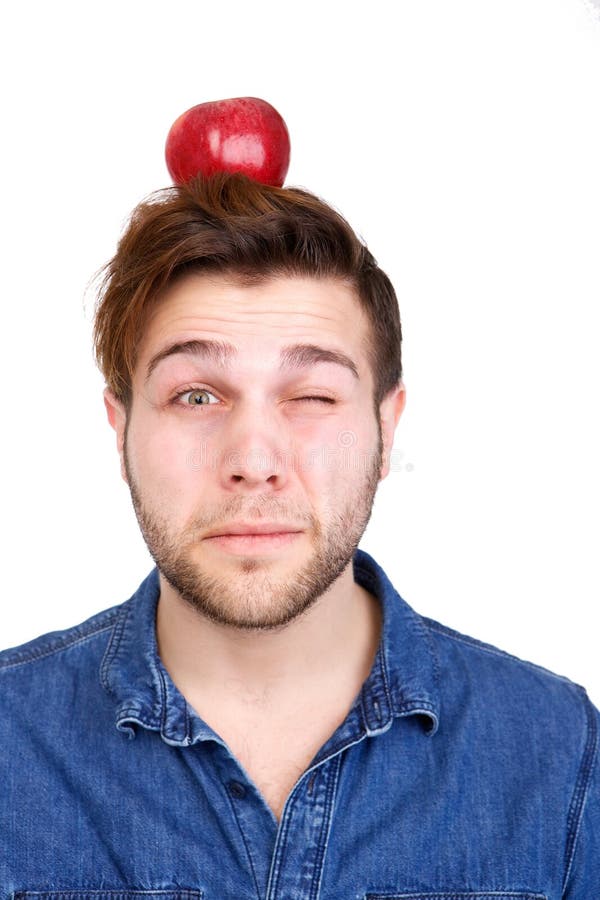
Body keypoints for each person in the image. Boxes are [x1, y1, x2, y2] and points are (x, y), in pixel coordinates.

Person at [1, 171, 598, 898]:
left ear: (385, 427)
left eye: (312, 396)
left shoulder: (561, 754)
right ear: (121, 427)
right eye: (195, 395)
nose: (254, 462)